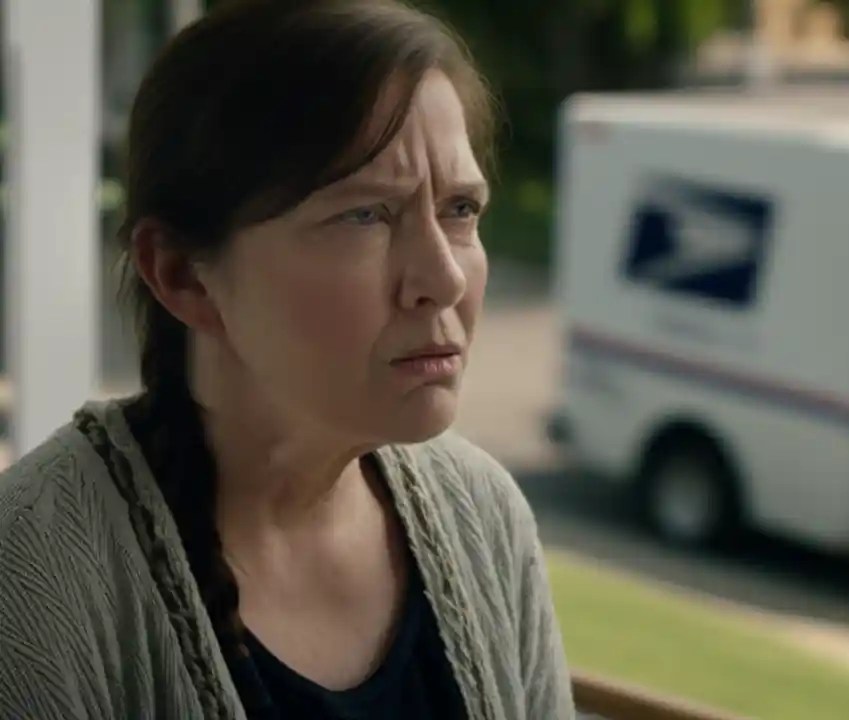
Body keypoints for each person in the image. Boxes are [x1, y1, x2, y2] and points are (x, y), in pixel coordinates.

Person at [0, 1, 575, 717]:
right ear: (181, 275)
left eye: (460, 209)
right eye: (365, 215)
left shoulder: (484, 516)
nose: (446, 279)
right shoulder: (32, 578)